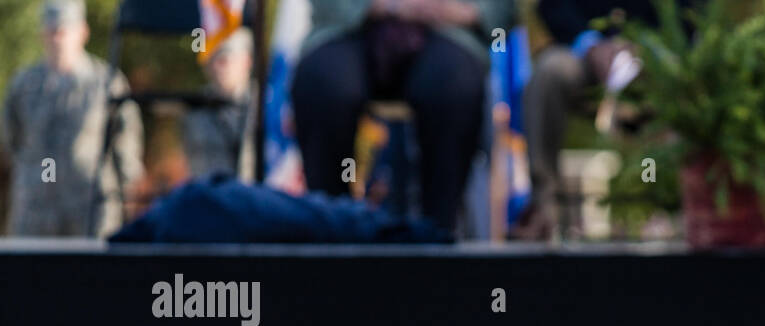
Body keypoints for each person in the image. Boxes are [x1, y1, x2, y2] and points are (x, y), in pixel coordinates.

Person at [292, 0, 515, 233]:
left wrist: (466, 13)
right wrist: (389, 6)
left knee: (452, 88)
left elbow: (500, 15)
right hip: (347, 28)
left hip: (450, 31)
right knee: (324, 85)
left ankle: (439, 235)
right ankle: (330, 227)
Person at [512, 0, 664, 239]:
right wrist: (590, 44)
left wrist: (642, 47)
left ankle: (661, 204)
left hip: (651, 53)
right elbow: (551, 6)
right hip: (581, 51)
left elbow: (688, 12)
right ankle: (544, 207)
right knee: (549, 72)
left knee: (677, 83)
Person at [1, 0, 143, 237]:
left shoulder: (106, 82)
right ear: (42, 35)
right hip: (35, 211)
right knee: (29, 273)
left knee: (94, 273)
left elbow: (125, 145)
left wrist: (127, 194)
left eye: (65, 31)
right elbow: (11, 140)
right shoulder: (23, 84)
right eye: (52, 31)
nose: (58, 38)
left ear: (83, 32)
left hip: (90, 209)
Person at [183, 27, 256, 182]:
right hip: (210, 197)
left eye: (224, 59)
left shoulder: (267, 106)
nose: (217, 66)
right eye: (211, 58)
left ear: (246, 61)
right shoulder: (195, 108)